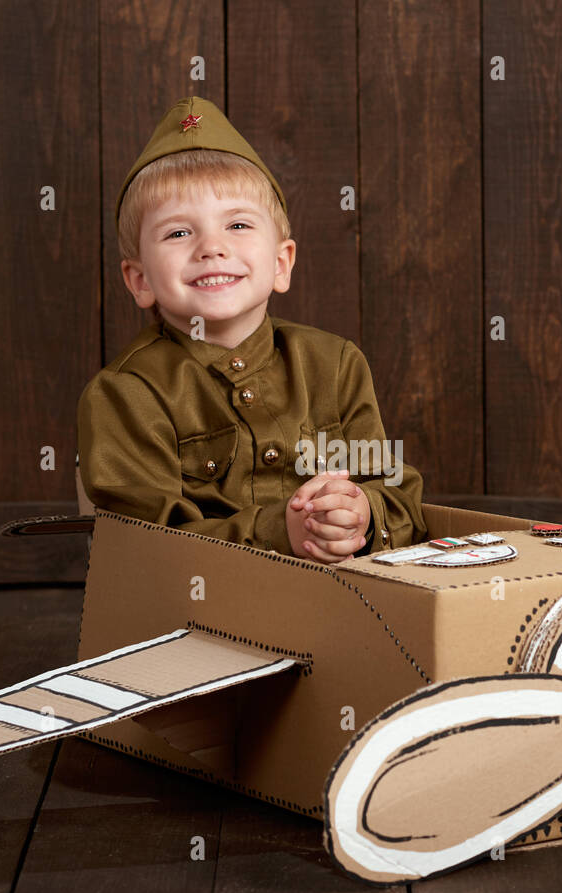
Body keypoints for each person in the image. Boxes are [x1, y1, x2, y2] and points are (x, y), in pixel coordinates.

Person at [77, 96, 428, 562]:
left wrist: (361, 515)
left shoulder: (336, 365)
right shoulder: (125, 395)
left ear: (281, 263)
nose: (212, 248)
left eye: (238, 224)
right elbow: (148, 553)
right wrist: (278, 530)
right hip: (198, 620)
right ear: (139, 280)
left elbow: (400, 498)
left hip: (348, 605)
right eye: (179, 233)